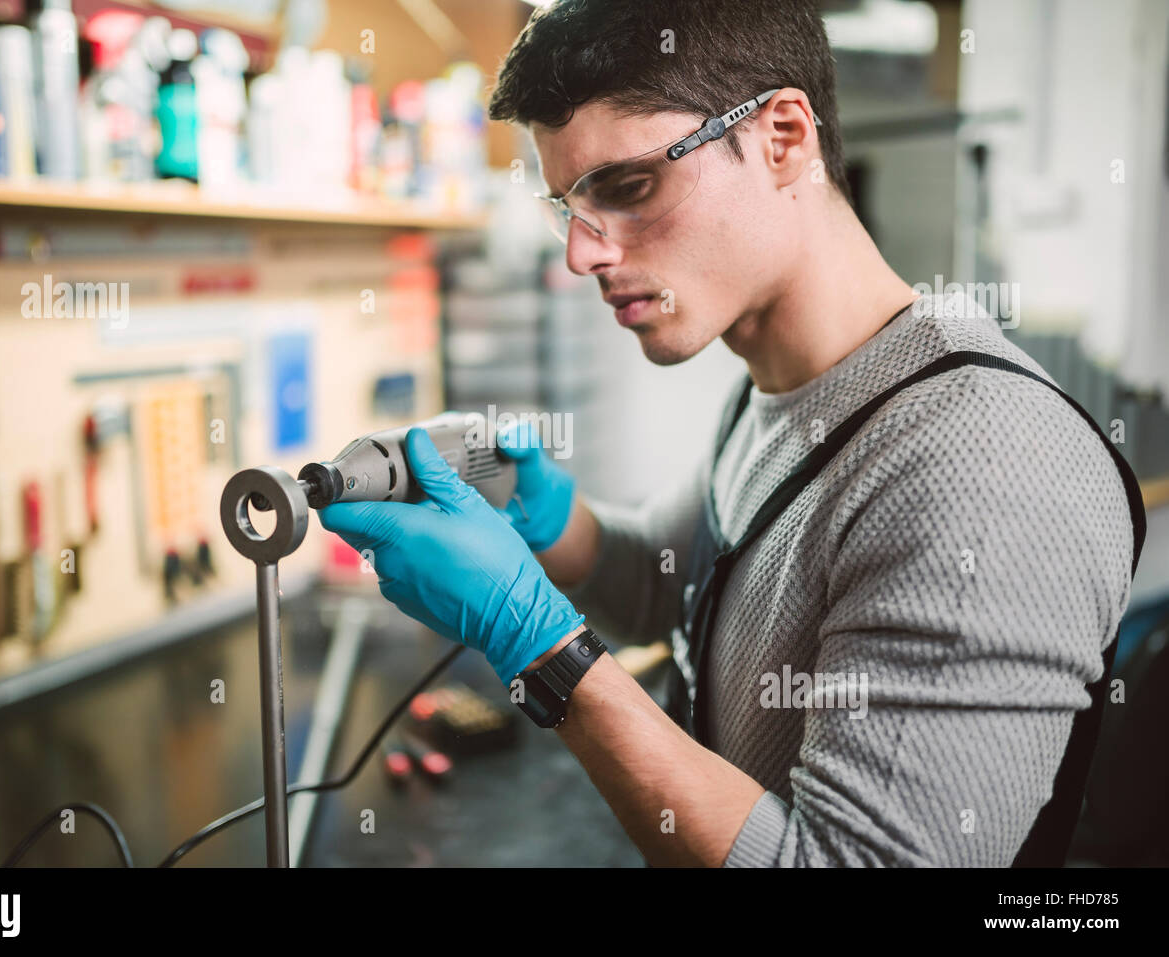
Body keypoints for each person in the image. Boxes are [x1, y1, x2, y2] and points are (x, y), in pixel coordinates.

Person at [319, 0, 1141, 866]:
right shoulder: (781, 385)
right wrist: (550, 524)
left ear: (784, 137)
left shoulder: (982, 465)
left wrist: (537, 647)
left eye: (628, 187)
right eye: (567, 205)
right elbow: (684, 593)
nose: (582, 254)